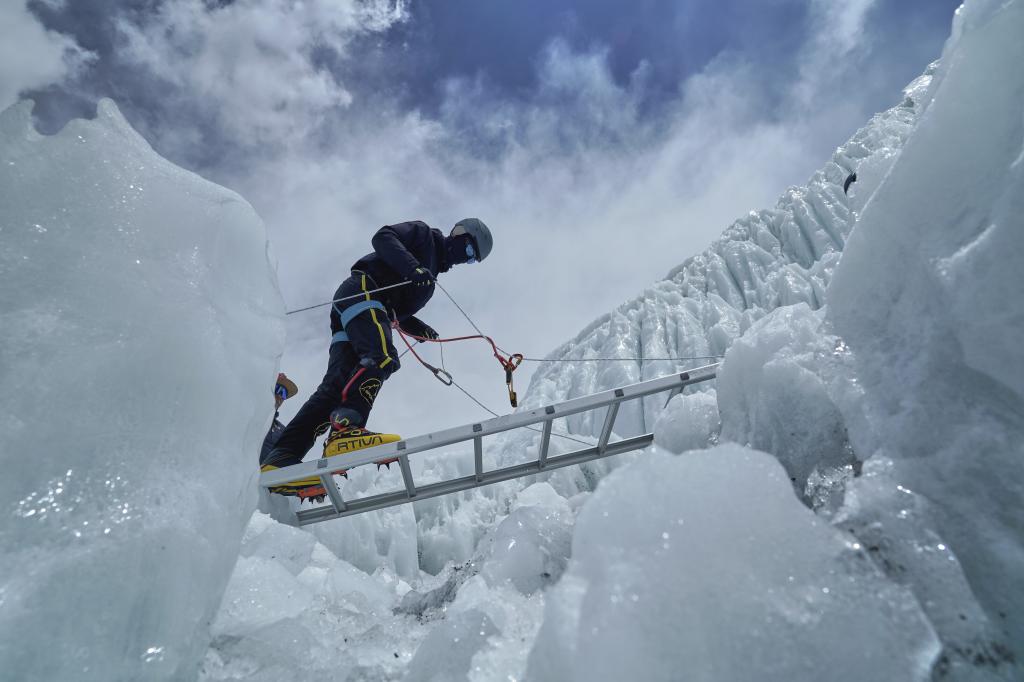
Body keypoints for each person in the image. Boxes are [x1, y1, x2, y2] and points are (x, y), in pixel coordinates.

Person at [261, 218, 493, 494]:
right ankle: (346, 430)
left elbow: (395, 314)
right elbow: (383, 237)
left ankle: (281, 458)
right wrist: (414, 267)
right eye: (468, 251)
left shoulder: (428, 283)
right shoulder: (423, 236)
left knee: (335, 387)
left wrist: (417, 326)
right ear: (458, 233)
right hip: (362, 291)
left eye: (470, 261)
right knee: (382, 356)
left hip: (358, 306)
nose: (462, 261)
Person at [259, 373, 298, 465]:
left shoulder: (283, 431)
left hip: (271, 477)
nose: (280, 396)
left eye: (284, 394)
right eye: (278, 389)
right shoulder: (247, 417)